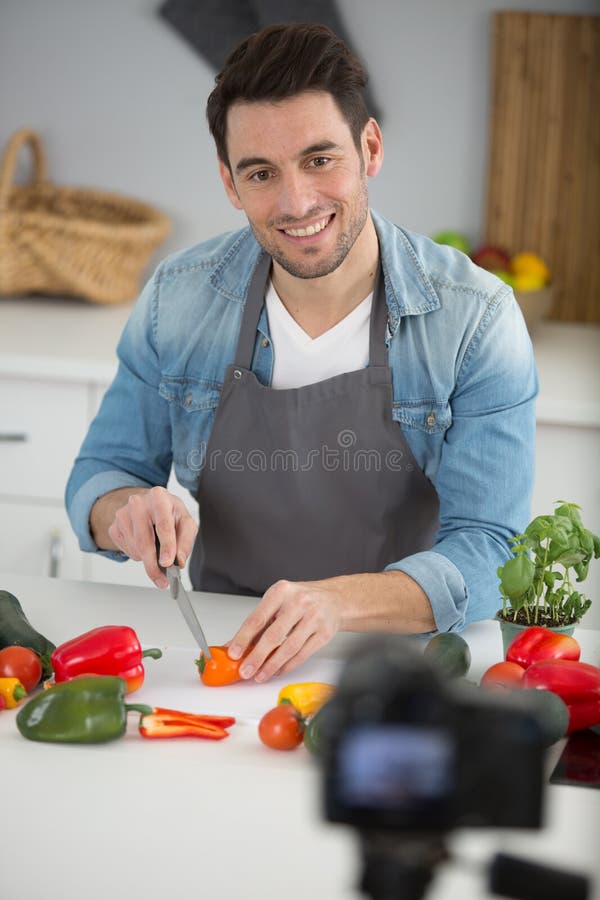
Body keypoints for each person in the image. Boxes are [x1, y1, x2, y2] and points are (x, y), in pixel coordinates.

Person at [66, 22, 537, 684]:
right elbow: (103, 470)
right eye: (261, 173)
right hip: (233, 652)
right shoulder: (178, 297)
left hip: (405, 662)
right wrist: (125, 511)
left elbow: (493, 550)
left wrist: (335, 603)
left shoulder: (476, 318)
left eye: (320, 160)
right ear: (231, 185)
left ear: (369, 147)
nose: (296, 202)